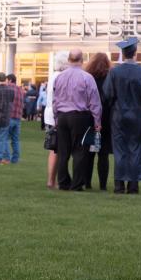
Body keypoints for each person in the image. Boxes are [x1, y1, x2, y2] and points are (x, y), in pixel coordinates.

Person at [102, 37, 141, 194]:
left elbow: (107, 95)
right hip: (138, 117)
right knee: (136, 148)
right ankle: (133, 185)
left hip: (118, 116)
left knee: (120, 149)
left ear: (123, 52)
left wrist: (114, 109)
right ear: (135, 53)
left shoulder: (114, 73)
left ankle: (119, 185)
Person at [52, 50, 102, 191]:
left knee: (63, 151)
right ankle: (77, 183)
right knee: (80, 150)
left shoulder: (59, 77)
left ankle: (63, 181)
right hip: (80, 116)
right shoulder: (87, 77)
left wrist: (56, 117)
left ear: (69, 60)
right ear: (82, 60)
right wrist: (97, 121)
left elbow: (55, 100)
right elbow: (94, 101)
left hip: (62, 116)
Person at [84, 52, 114, 190]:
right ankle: (103, 186)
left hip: (90, 119)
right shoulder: (111, 77)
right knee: (103, 154)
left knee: (89, 153)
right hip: (106, 119)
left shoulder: (88, 77)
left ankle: (87, 183)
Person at [43, 55, 69, 189]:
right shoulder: (61, 77)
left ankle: (51, 180)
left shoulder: (53, 76)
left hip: (49, 115)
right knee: (59, 149)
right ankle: (56, 180)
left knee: (54, 149)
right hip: (57, 115)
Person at [6, 74, 24, 164]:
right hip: (18, 117)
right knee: (15, 140)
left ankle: (7, 158)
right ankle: (15, 159)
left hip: (9, 116)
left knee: (4, 138)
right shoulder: (20, 90)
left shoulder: (8, 88)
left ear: (9, 80)